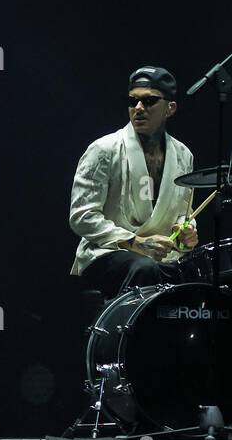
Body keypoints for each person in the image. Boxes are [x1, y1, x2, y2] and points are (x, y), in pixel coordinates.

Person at [69, 67, 198, 299]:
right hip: (106, 251)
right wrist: (135, 242)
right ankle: (130, 335)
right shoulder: (103, 150)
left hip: (161, 256)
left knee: (198, 270)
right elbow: (82, 216)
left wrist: (186, 232)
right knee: (144, 269)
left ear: (170, 108)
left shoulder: (183, 155)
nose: (138, 108)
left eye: (149, 101)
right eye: (133, 101)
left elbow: (184, 213)